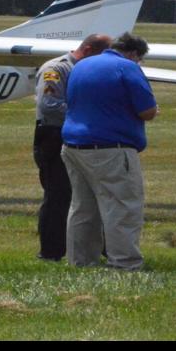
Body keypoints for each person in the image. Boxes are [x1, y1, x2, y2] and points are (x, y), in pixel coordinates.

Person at [61, 32, 158, 270]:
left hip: (73, 145)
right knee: (122, 206)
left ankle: (80, 261)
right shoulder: (127, 67)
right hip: (110, 148)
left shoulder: (81, 66)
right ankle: (125, 263)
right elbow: (147, 110)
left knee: (83, 207)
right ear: (134, 54)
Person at [31, 34, 112, 260]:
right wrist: (89, 115)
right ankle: (51, 252)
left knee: (94, 193)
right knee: (58, 194)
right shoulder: (56, 69)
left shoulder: (92, 71)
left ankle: (101, 248)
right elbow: (49, 105)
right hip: (54, 135)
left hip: (83, 135)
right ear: (87, 50)